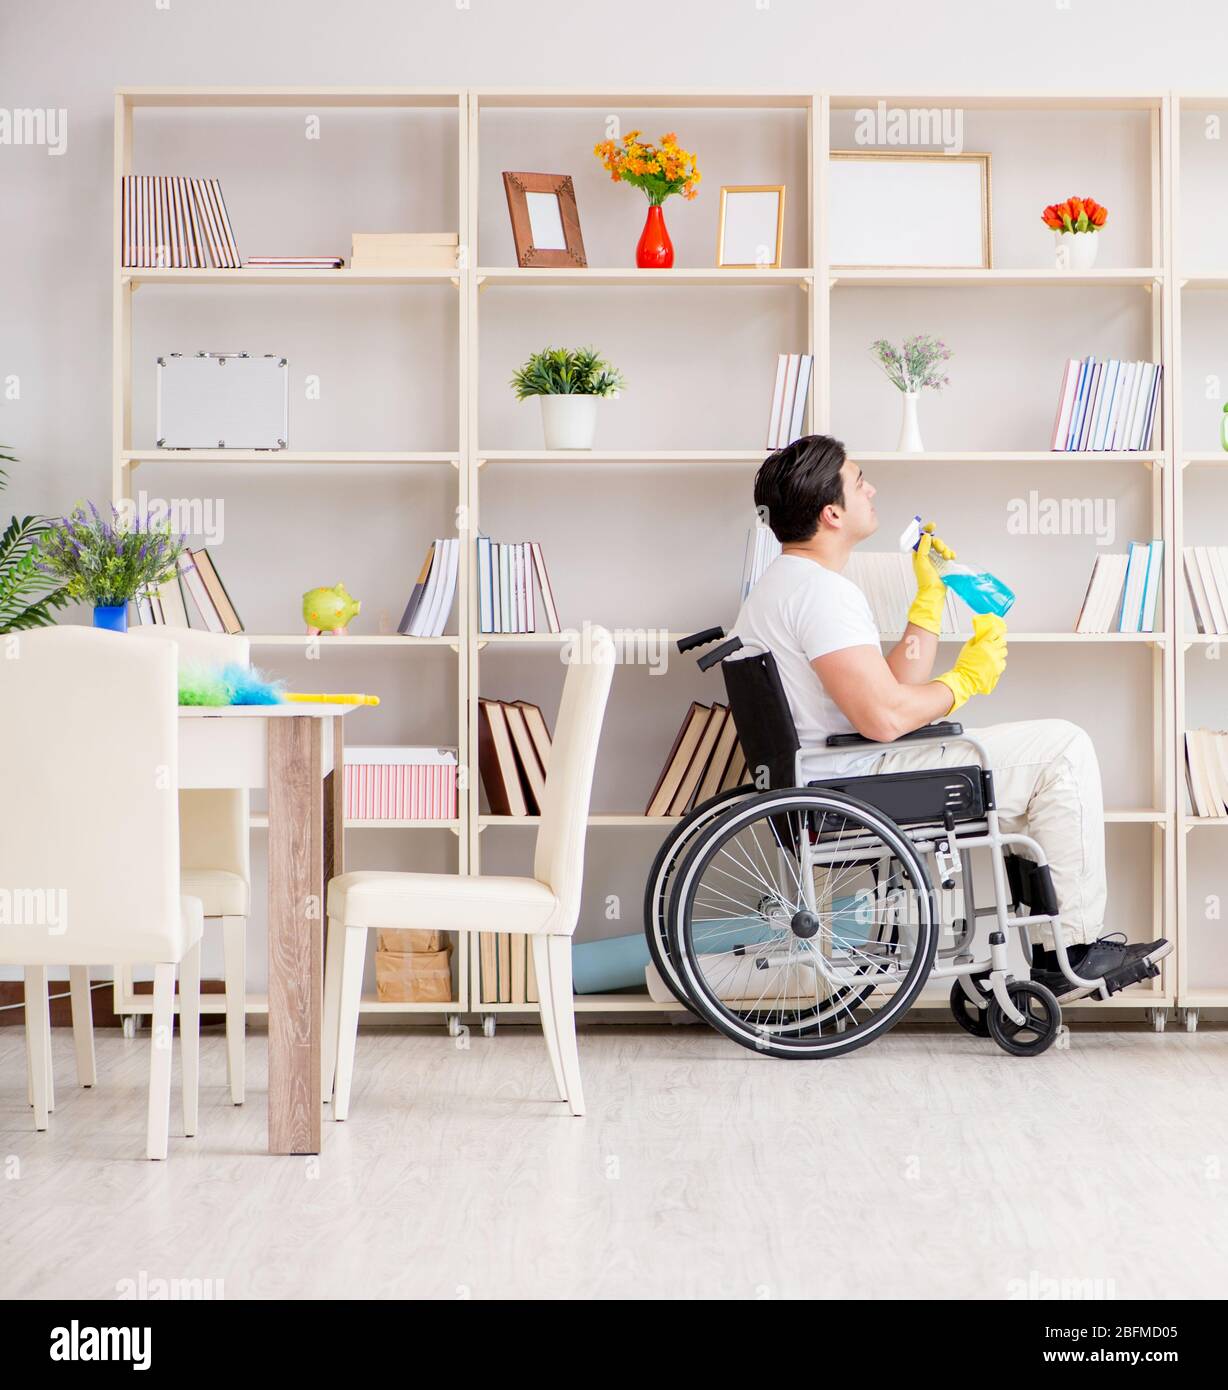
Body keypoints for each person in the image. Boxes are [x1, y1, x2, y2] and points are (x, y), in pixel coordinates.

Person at [731, 433, 1170, 1000]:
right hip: (857, 784)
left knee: (1026, 773)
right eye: (860, 480)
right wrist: (965, 682)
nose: (873, 489)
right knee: (1062, 749)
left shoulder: (784, 586)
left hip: (837, 775)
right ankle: (1072, 951)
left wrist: (927, 602)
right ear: (831, 512)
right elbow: (886, 717)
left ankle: (1048, 952)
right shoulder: (821, 594)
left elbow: (884, 691)